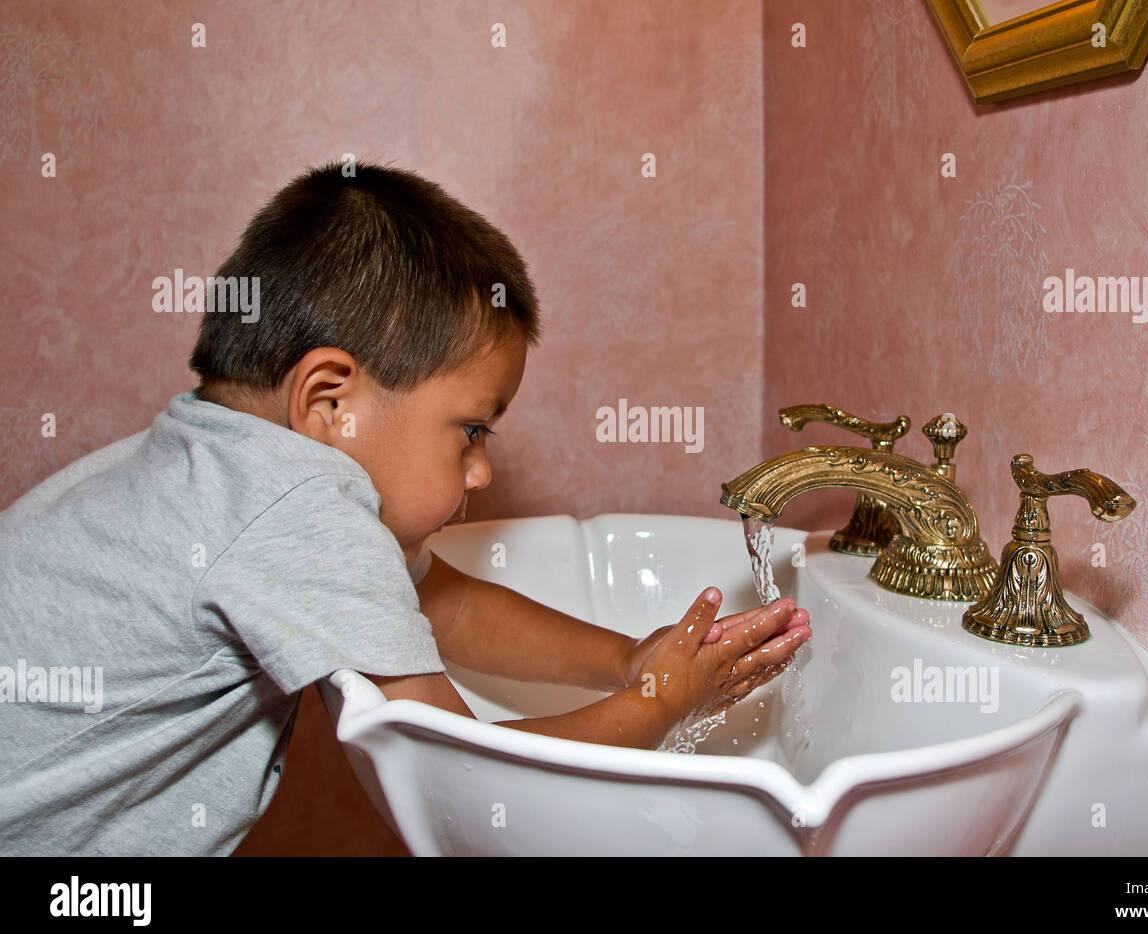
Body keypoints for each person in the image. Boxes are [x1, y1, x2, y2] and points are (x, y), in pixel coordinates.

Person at [0, 161, 812, 855]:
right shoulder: (294, 503)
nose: (483, 469)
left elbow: (444, 605)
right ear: (328, 401)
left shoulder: (216, 461)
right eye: (470, 429)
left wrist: (627, 659)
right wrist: (660, 702)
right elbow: (462, 767)